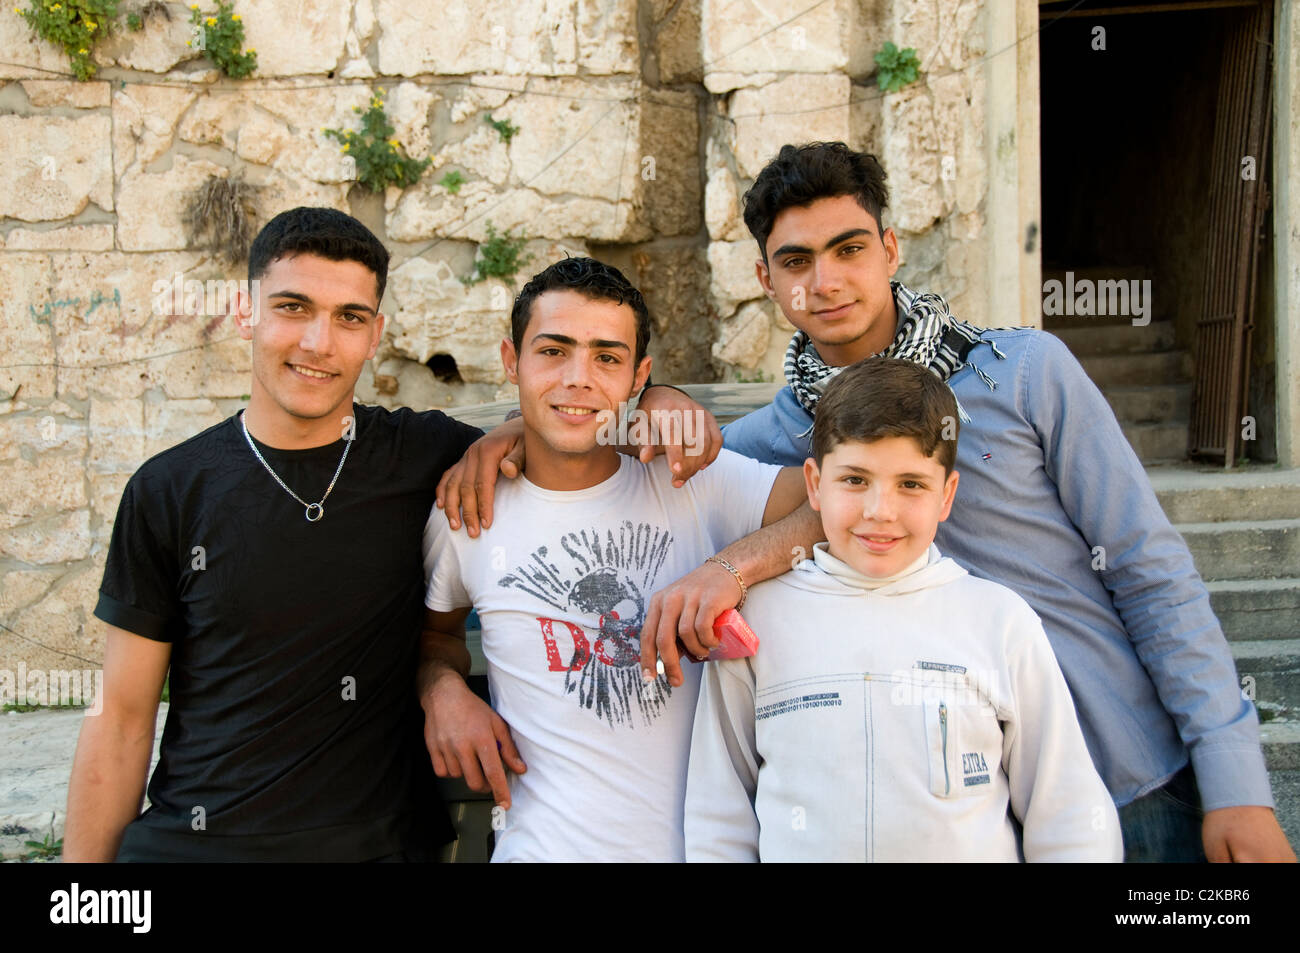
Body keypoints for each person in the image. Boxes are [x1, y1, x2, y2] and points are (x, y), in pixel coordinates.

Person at [62, 208, 715, 862]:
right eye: (292, 307)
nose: (320, 342)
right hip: (192, 848)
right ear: (245, 311)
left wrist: (656, 399)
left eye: (348, 317)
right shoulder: (171, 489)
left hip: (375, 847)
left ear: (375, 334)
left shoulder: (426, 458)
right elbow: (120, 719)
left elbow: (566, 427)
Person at [714, 141, 1293, 863]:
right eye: (797, 261)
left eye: (849, 248)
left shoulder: (1026, 375)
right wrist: (526, 434)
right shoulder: (756, 451)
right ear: (766, 278)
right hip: (946, 826)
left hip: (1127, 783)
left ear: (890, 251)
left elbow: (1150, 569)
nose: (825, 280)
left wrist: (1235, 779)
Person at [418, 257, 814, 861]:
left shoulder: (689, 478)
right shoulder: (468, 514)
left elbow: (836, 509)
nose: (579, 378)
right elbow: (433, 637)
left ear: (639, 376)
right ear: (510, 361)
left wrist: (727, 570)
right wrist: (441, 688)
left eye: (607, 357)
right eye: (553, 351)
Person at [684, 357, 1121, 862]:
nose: (880, 511)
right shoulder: (757, 622)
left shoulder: (999, 622)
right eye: (854, 480)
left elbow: (1067, 810)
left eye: (911, 484)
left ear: (946, 495)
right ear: (814, 484)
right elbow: (720, 810)